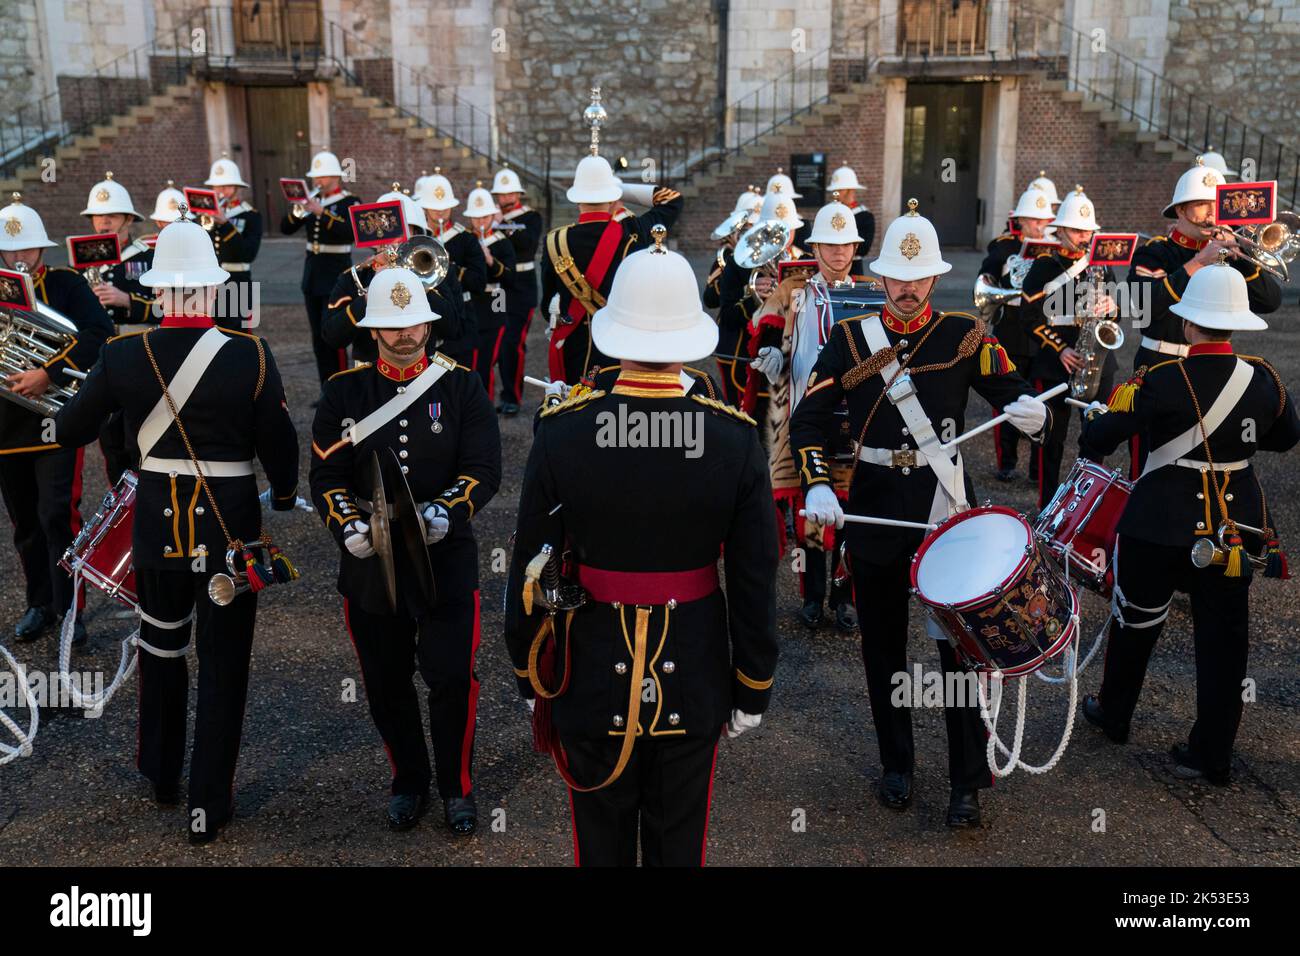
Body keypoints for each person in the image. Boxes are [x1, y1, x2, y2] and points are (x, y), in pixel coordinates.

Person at [505, 226, 778, 866]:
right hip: (696, 668)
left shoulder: (563, 430)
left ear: (615, 333)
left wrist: (527, 662)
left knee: (599, 847)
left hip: (587, 665)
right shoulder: (734, 437)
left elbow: (534, 566)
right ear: (689, 338)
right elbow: (754, 574)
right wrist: (752, 682)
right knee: (678, 846)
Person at [791, 199, 1051, 828]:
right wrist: (818, 485)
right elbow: (808, 420)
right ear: (881, 277)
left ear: (935, 278)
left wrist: (1029, 411)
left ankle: (966, 783)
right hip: (876, 507)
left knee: (958, 652)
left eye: (919, 278)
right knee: (883, 648)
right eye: (897, 278)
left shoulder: (966, 335)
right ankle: (896, 764)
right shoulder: (849, 339)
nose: (907, 289)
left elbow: (1012, 391)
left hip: (943, 508)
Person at [54, 217, 299, 844]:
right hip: (229, 531)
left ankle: (161, 774)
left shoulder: (121, 353)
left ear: (159, 293)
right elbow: (279, 441)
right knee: (223, 664)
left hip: (157, 527)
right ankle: (207, 805)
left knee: (162, 651)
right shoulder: (250, 355)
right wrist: (289, 493)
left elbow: (77, 426)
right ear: (214, 292)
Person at [1078, 259, 1299, 784]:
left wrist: (1094, 425)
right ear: (1238, 324)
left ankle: (1115, 715)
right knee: (1224, 641)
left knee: (1137, 621)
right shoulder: (1264, 379)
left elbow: (1101, 440)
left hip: (1160, 519)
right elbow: (1286, 437)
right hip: (1234, 527)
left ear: (1187, 324)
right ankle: (1213, 753)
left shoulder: (1160, 379)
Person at [310, 266, 500, 834]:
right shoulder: (344, 392)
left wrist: (446, 512)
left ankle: (456, 788)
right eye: (391, 327)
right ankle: (409, 781)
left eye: (413, 323)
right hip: (370, 562)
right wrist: (346, 524)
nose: (403, 336)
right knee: (385, 682)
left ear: (428, 323)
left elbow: (484, 469)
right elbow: (327, 476)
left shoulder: (461, 385)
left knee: (451, 679)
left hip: (445, 557)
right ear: (372, 331)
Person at [0, 193, 112, 646]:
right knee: (24, 523)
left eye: (26, 249)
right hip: (6, 425)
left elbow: (99, 333)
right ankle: (40, 604)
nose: (18, 257)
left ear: (42, 249)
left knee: (56, 517)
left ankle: (71, 609)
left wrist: (48, 372)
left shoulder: (65, 284)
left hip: (55, 421)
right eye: (9, 250)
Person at [1125, 160, 1281, 474]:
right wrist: (1197, 263)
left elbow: (1270, 301)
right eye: (1200, 204)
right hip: (1161, 363)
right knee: (1151, 461)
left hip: (1213, 367)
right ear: (1180, 210)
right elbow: (1143, 309)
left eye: (1215, 203)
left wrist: (1242, 259)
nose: (1211, 212)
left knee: (1208, 457)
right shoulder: (1154, 253)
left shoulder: (1229, 252)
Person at [749, 201, 861, 630]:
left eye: (844, 245)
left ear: (854, 247)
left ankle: (846, 597)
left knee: (850, 511)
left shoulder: (869, 292)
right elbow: (774, 341)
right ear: (815, 248)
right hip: (804, 414)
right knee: (811, 513)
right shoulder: (794, 292)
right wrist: (773, 359)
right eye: (829, 246)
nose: (837, 254)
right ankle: (813, 595)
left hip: (854, 418)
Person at [539, 152, 682, 384]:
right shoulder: (634, 231)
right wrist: (620, 187)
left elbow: (547, 308)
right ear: (614, 197)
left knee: (576, 408)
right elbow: (673, 199)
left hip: (574, 347)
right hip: (621, 345)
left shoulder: (555, 241)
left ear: (577, 199)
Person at [1019, 185, 1118, 508]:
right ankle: (1046, 506)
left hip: (1097, 361)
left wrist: (1111, 306)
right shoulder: (1045, 265)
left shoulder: (1101, 264)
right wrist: (1059, 348)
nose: (1083, 236)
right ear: (1060, 230)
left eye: (1088, 231)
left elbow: (1117, 311)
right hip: (1056, 361)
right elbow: (1029, 316)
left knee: (1096, 435)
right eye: (1076, 230)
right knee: (1053, 440)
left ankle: (1086, 505)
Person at [320, 190, 466, 368]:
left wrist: (419, 283)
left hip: (422, 373)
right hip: (369, 377)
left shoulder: (437, 272)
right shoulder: (355, 277)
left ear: (416, 234)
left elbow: (454, 329)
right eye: (386, 230)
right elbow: (332, 337)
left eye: (402, 231)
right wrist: (369, 296)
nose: (393, 241)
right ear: (373, 238)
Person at [79, 172, 155, 482]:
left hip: (141, 356)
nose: (104, 222)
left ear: (127, 219)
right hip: (100, 359)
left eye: (111, 215)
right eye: (97, 216)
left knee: (141, 435)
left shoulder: (148, 258)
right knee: (110, 438)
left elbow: (170, 308)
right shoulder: (82, 263)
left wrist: (128, 300)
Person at [979, 185, 1055, 482]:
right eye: (1033, 220)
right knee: (1007, 399)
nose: (1039, 226)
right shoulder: (1004, 246)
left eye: (1044, 221)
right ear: (1019, 219)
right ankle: (1007, 462)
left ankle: (1039, 468)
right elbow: (986, 276)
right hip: (1010, 331)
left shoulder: (1056, 250)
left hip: (1043, 334)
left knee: (1044, 400)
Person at [281, 150, 361, 387]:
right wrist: (299, 211)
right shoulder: (313, 201)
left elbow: (351, 233)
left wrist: (321, 213)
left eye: (323, 177)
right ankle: (326, 387)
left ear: (336, 177)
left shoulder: (349, 201)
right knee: (317, 337)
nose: (318, 182)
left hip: (335, 275)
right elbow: (285, 228)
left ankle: (340, 386)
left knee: (333, 335)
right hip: (313, 276)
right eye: (316, 177)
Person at [490, 166, 544, 415]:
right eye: (501, 195)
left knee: (513, 343)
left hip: (521, 286)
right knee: (495, 343)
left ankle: (512, 397)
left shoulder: (531, 217)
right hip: (497, 287)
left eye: (509, 194)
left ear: (518, 194)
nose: (505, 199)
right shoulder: (490, 217)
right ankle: (493, 395)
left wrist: (504, 224)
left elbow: (527, 243)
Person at [462, 183, 518, 397]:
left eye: (485, 217)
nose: (481, 222)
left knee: (487, 360)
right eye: (476, 218)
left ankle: (487, 402)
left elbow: (510, 278)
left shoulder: (503, 242)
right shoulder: (464, 240)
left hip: (494, 303)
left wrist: (490, 260)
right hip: (470, 304)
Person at [201, 157, 262, 331]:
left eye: (226, 187)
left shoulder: (250, 216)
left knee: (237, 338)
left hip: (237, 284)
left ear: (237, 188)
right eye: (217, 187)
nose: (221, 191)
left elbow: (248, 254)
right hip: (210, 285)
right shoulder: (206, 215)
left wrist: (226, 224)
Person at [826, 163, 875, 273]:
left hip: (853, 269)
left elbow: (863, 249)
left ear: (851, 190)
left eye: (840, 190)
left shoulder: (864, 216)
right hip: (828, 267)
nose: (836, 194)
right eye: (835, 190)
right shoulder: (827, 212)